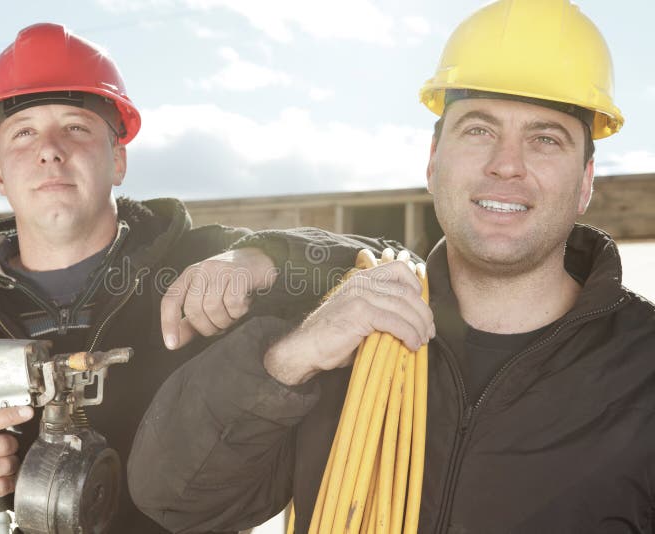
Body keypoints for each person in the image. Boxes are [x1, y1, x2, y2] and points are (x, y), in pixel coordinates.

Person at [128, 1, 655, 532]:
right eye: (478, 130)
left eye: (545, 139)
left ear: (586, 181)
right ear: (432, 162)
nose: (507, 164)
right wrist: (289, 361)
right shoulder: (345, 340)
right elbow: (178, 501)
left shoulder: (644, 371)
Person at [0, 23, 359, 533]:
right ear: (0, 174)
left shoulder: (208, 263)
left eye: (76, 127)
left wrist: (265, 258)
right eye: (24, 132)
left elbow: (379, 264)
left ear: (118, 160)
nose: (50, 150)